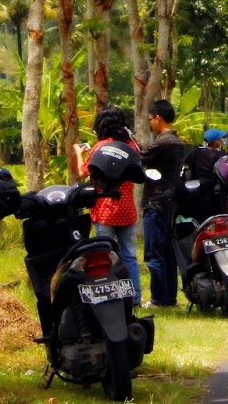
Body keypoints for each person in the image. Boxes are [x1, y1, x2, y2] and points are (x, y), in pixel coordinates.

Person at [74, 106, 142, 298]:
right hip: (127, 210)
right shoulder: (130, 146)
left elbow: (82, 173)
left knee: (104, 255)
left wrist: (79, 153)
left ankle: (110, 294)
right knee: (129, 255)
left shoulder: (100, 147)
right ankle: (135, 296)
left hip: (105, 210)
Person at [138, 99, 187, 308]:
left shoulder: (163, 142)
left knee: (154, 252)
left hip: (156, 203)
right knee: (167, 253)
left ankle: (158, 298)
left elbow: (140, 156)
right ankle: (170, 297)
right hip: (170, 203)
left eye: (150, 119)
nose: (150, 123)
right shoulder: (178, 142)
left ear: (158, 117)